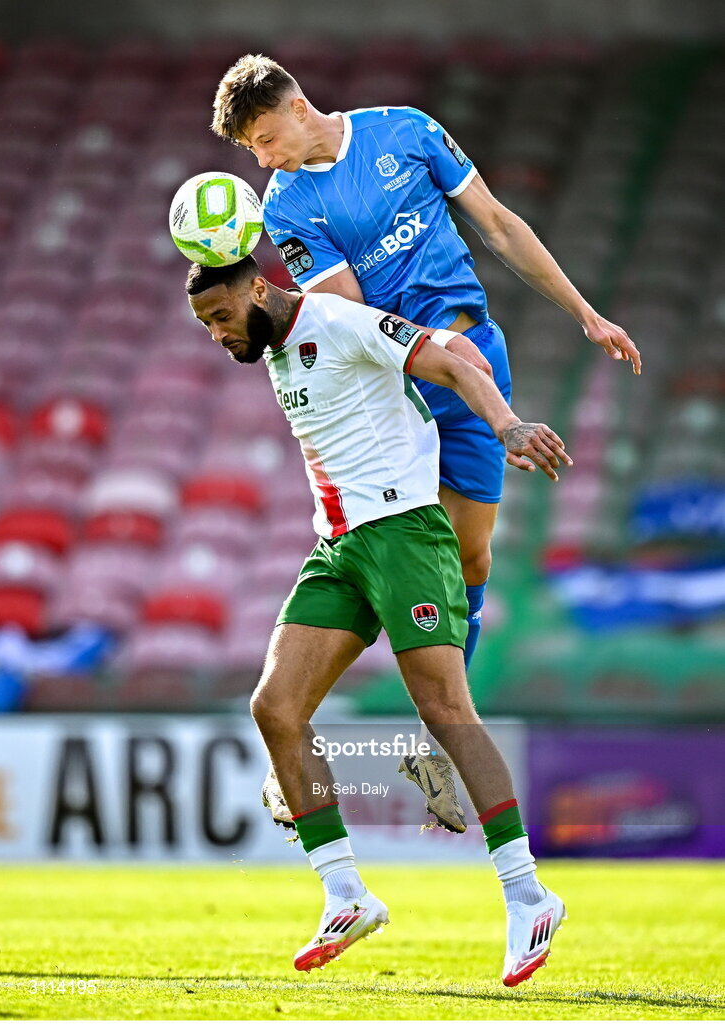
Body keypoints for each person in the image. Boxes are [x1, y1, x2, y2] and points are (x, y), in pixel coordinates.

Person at [211, 54, 642, 831]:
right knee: (393, 554)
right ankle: (300, 730)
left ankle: (423, 742)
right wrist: (442, 357)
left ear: (298, 105)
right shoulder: (287, 205)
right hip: (402, 383)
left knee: (471, 559)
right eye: (253, 152)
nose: (264, 160)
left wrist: (584, 312)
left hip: (479, 360)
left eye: (265, 140)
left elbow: (500, 224)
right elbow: (345, 315)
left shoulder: (405, 133)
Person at [186, 255, 571, 983]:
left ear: (258, 290)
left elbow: (449, 359)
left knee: (444, 709)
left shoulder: (337, 320)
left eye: (221, 317)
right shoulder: (274, 354)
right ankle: (345, 893)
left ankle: (528, 894)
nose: (215, 333)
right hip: (337, 548)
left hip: (403, 535)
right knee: (275, 708)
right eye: (206, 325)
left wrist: (506, 424)